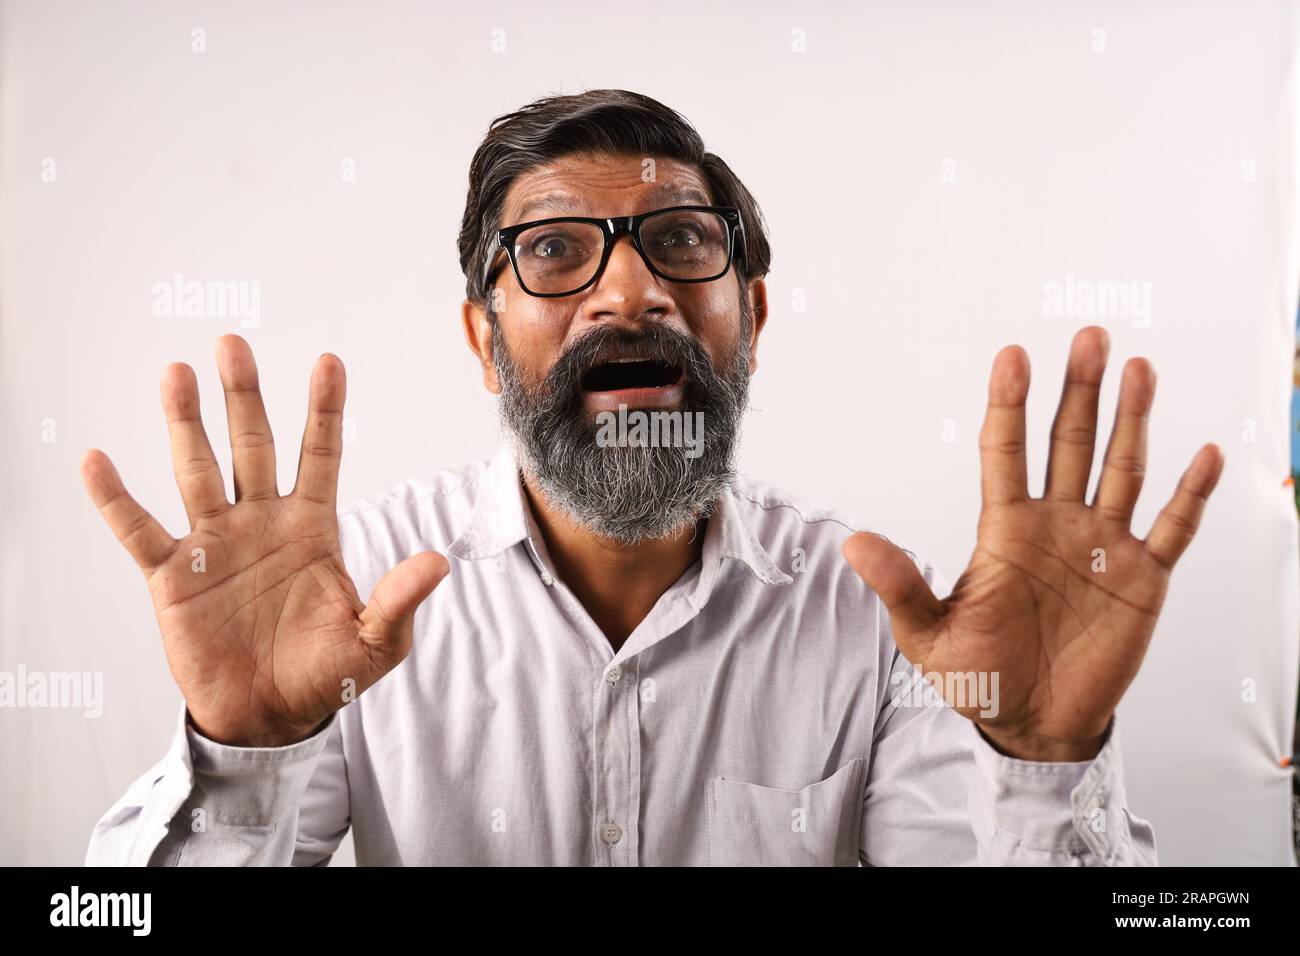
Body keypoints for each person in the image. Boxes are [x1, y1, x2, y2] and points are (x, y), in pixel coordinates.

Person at [81, 89, 1222, 866]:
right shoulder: (350, 606)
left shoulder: (893, 626)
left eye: (681, 241)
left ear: (752, 317)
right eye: (558, 250)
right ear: (483, 338)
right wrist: (242, 754)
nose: (629, 292)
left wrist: (1035, 761)